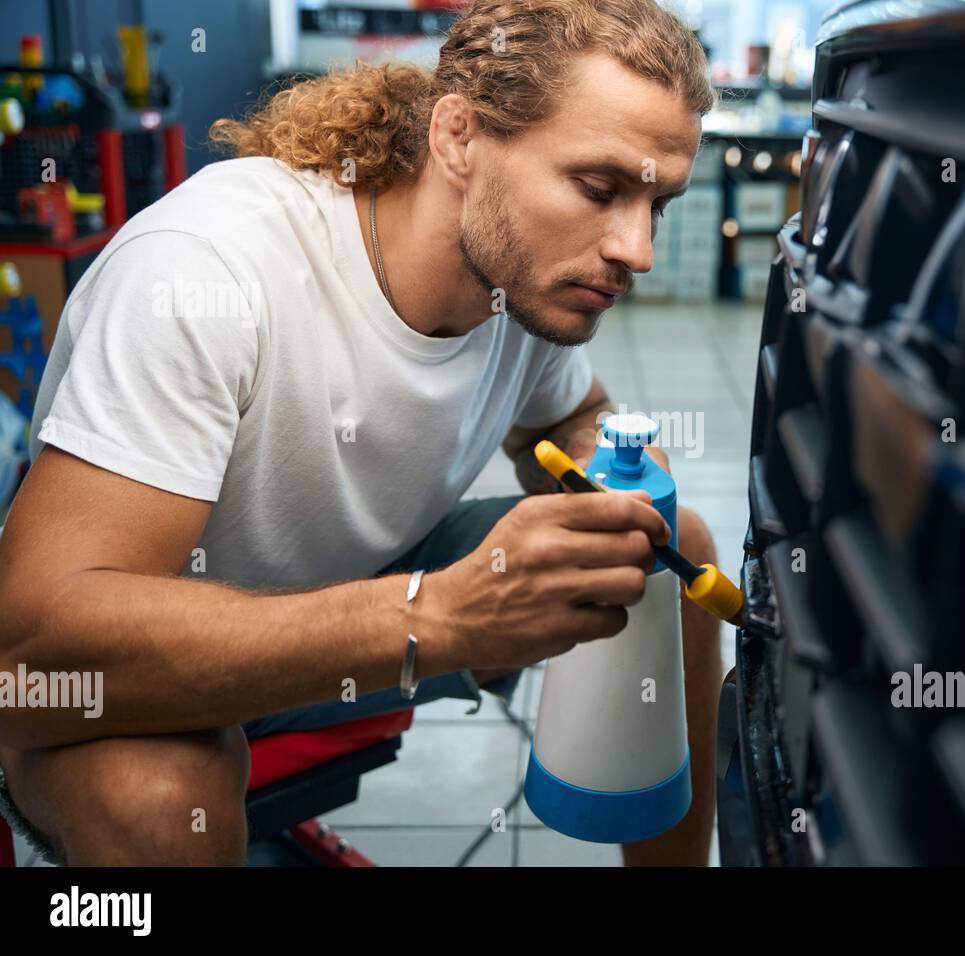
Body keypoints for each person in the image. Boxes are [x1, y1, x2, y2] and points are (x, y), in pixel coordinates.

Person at [0, 0, 722, 866]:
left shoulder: (529, 281)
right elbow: (25, 656)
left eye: (659, 205)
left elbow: (568, 417)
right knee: (158, 802)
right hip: (142, 662)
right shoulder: (208, 273)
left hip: (355, 601)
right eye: (600, 190)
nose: (636, 249)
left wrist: (609, 469)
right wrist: (437, 617)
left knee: (669, 553)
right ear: (459, 137)